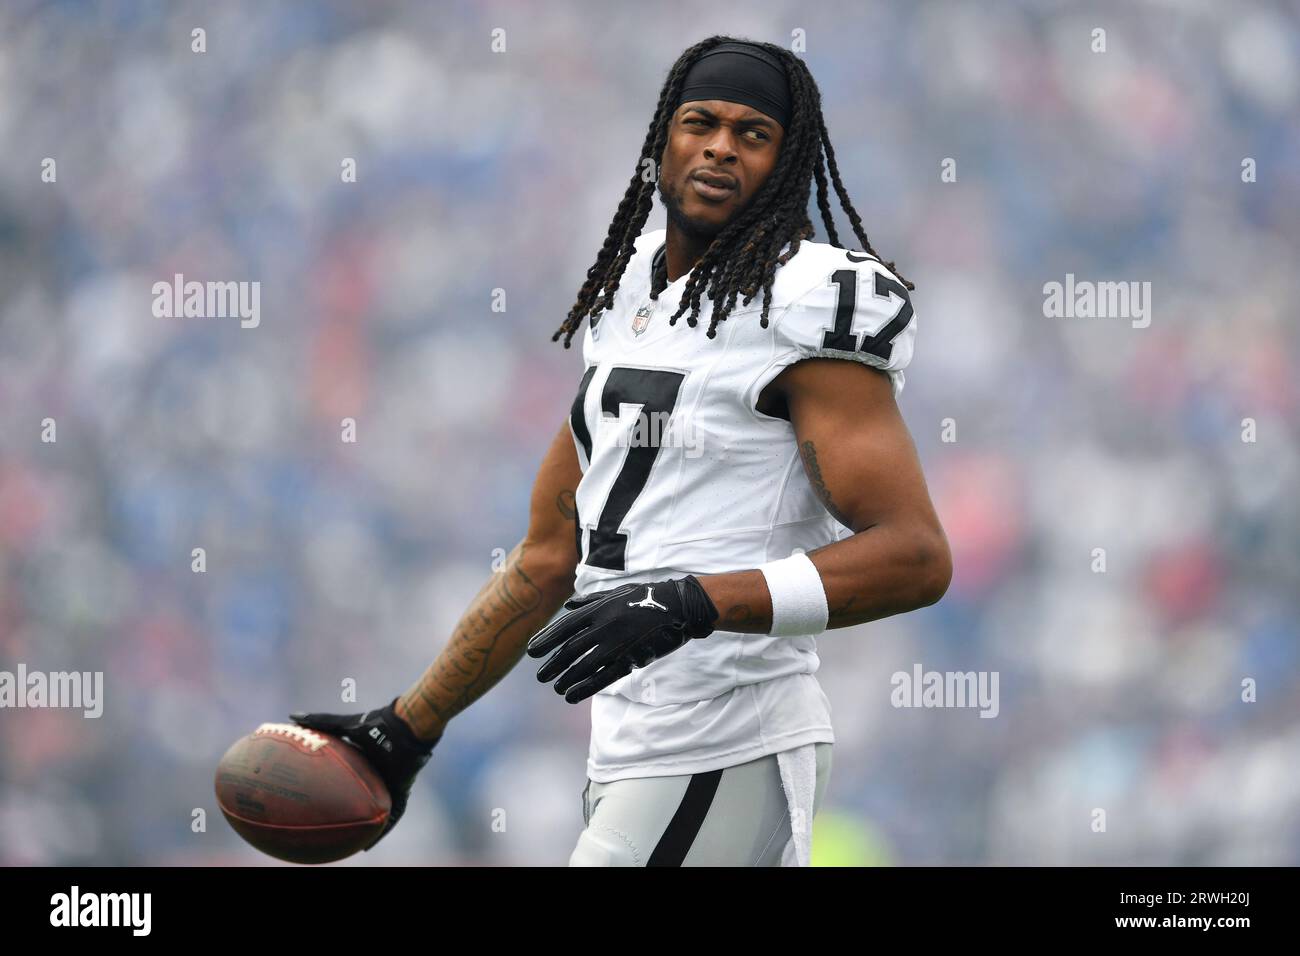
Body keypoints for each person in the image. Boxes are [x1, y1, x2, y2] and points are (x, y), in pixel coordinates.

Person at [291, 35, 951, 866]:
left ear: (786, 166)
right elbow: (548, 556)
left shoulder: (808, 305)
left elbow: (916, 556)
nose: (719, 146)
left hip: (727, 736)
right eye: (699, 123)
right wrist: (405, 727)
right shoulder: (633, 297)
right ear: (662, 142)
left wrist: (697, 601)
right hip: (632, 749)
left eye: (752, 135)